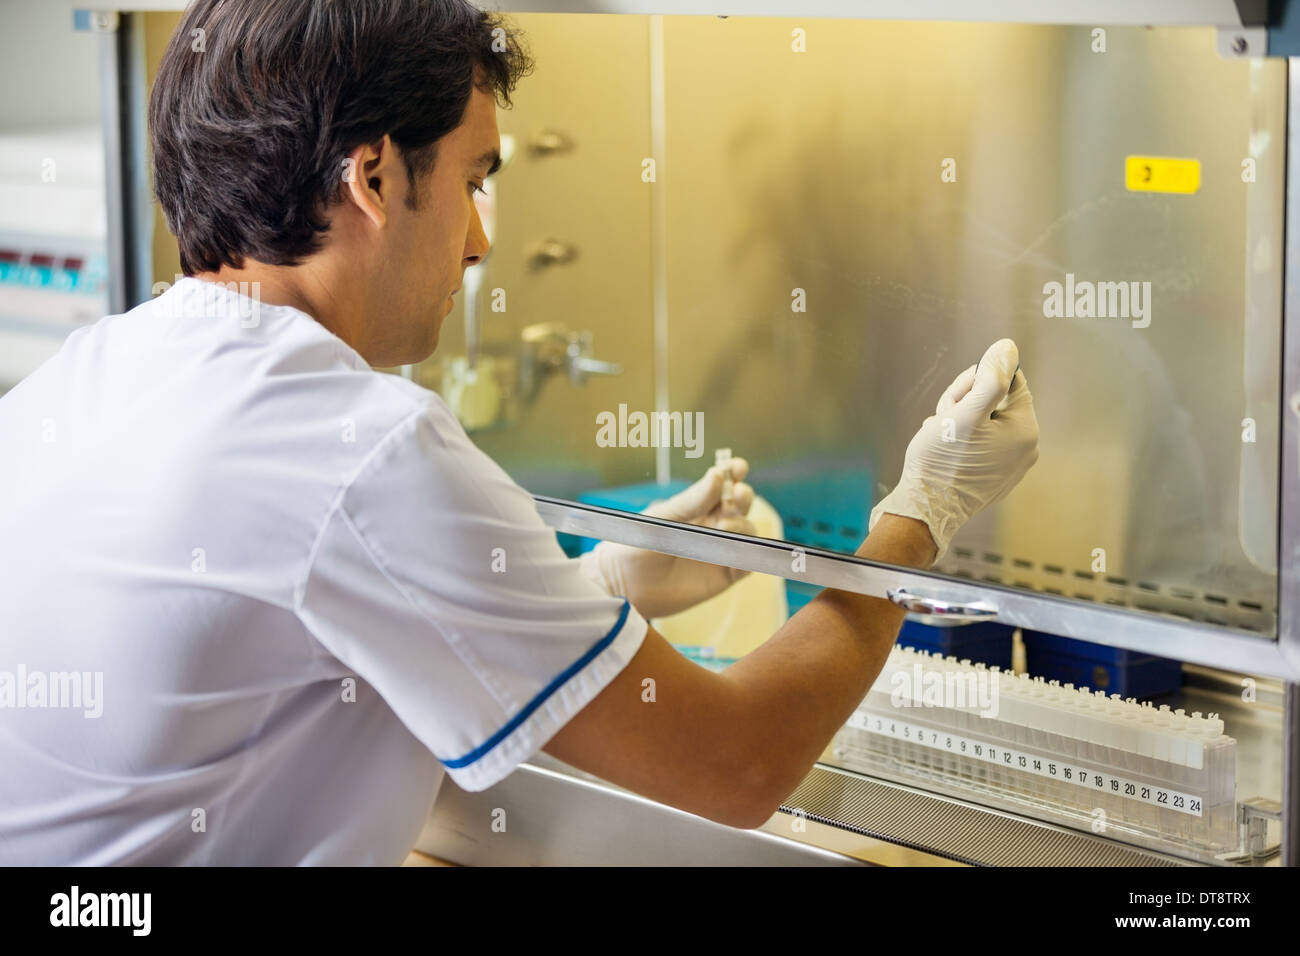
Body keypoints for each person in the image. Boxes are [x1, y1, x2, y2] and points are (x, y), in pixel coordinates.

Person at [0, 0, 1038, 864]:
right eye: (472, 179)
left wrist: (599, 589)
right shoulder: (361, 445)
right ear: (372, 180)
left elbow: (295, 650)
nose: (481, 240)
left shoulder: (82, 377)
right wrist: (918, 514)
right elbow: (739, 764)